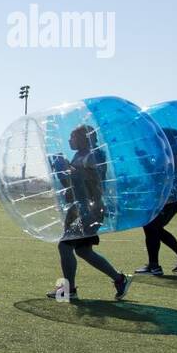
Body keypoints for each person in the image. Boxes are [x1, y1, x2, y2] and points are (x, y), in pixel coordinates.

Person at [49, 125, 130, 300]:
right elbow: (72, 185)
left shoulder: (94, 155)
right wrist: (61, 170)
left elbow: (94, 183)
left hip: (89, 210)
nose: (70, 140)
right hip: (79, 208)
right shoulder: (80, 155)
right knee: (83, 250)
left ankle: (69, 290)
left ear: (85, 138)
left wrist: (65, 170)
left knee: (65, 245)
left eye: (73, 137)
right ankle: (119, 279)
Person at [136, 128, 177, 276]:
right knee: (152, 227)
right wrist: (144, 160)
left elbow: (164, 176)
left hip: (173, 196)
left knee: (152, 226)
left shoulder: (174, 154)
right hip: (171, 196)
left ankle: (157, 265)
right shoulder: (172, 152)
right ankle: (168, 261)